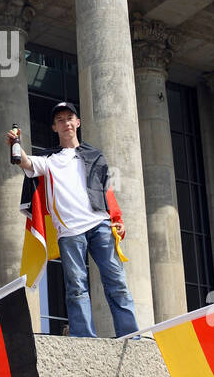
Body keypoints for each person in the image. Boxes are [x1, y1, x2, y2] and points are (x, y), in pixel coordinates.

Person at [8, 102, 142, 339]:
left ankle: (131, 335)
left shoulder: (94, 154)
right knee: (77, 286)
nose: (66, 123)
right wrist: (15, 146)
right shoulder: (49, 159)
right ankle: (84, 338)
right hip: (69, 232)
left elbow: (105, 189)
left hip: (99, 223)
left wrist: (117, 218)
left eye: (69, 118)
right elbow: (26, 162)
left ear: (77, 123)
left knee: (117, 281)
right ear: (54, 127)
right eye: (60, 120)